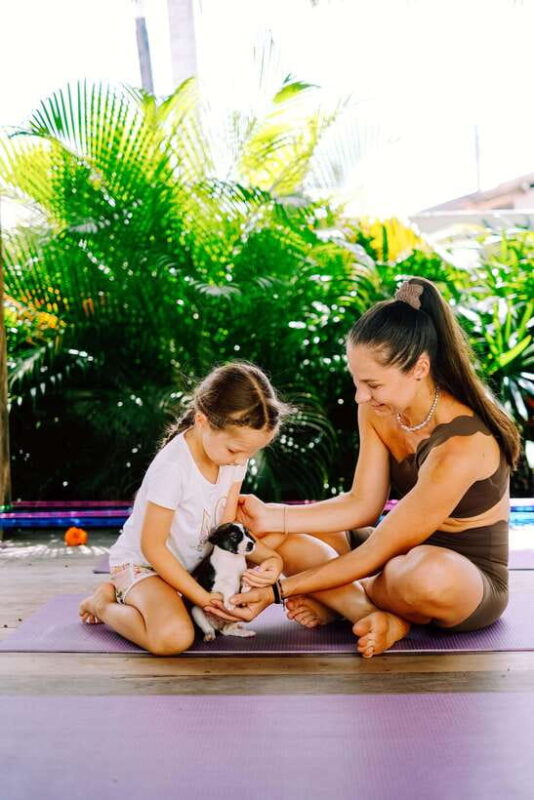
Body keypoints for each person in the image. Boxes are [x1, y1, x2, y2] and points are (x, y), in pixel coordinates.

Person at [209, 277, 521, 658]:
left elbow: (376, 553)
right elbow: (363, 505)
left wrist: (281, 589)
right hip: (390, 554)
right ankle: (370, 610)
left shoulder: (463, 444)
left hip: (464, 578)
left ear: (420, 368)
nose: (361, 396)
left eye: (372, 384)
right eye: (357, 381)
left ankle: (345, 601)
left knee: (424, 577)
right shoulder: (379, 409)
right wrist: (271, 516)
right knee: (278, 540)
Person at [79, 362, 290, 655]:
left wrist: (273, 561)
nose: (241, 460)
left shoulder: (232, 460)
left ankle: (173, 598)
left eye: (251, 454)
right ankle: (103, 603)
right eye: (235, 450)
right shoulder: (173, 468)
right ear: (203, 421)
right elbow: (152, 548)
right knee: (174, 638)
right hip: (145, 566)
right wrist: (204, 598)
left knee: (288, 539)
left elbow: (225, 531)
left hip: (193, 568)